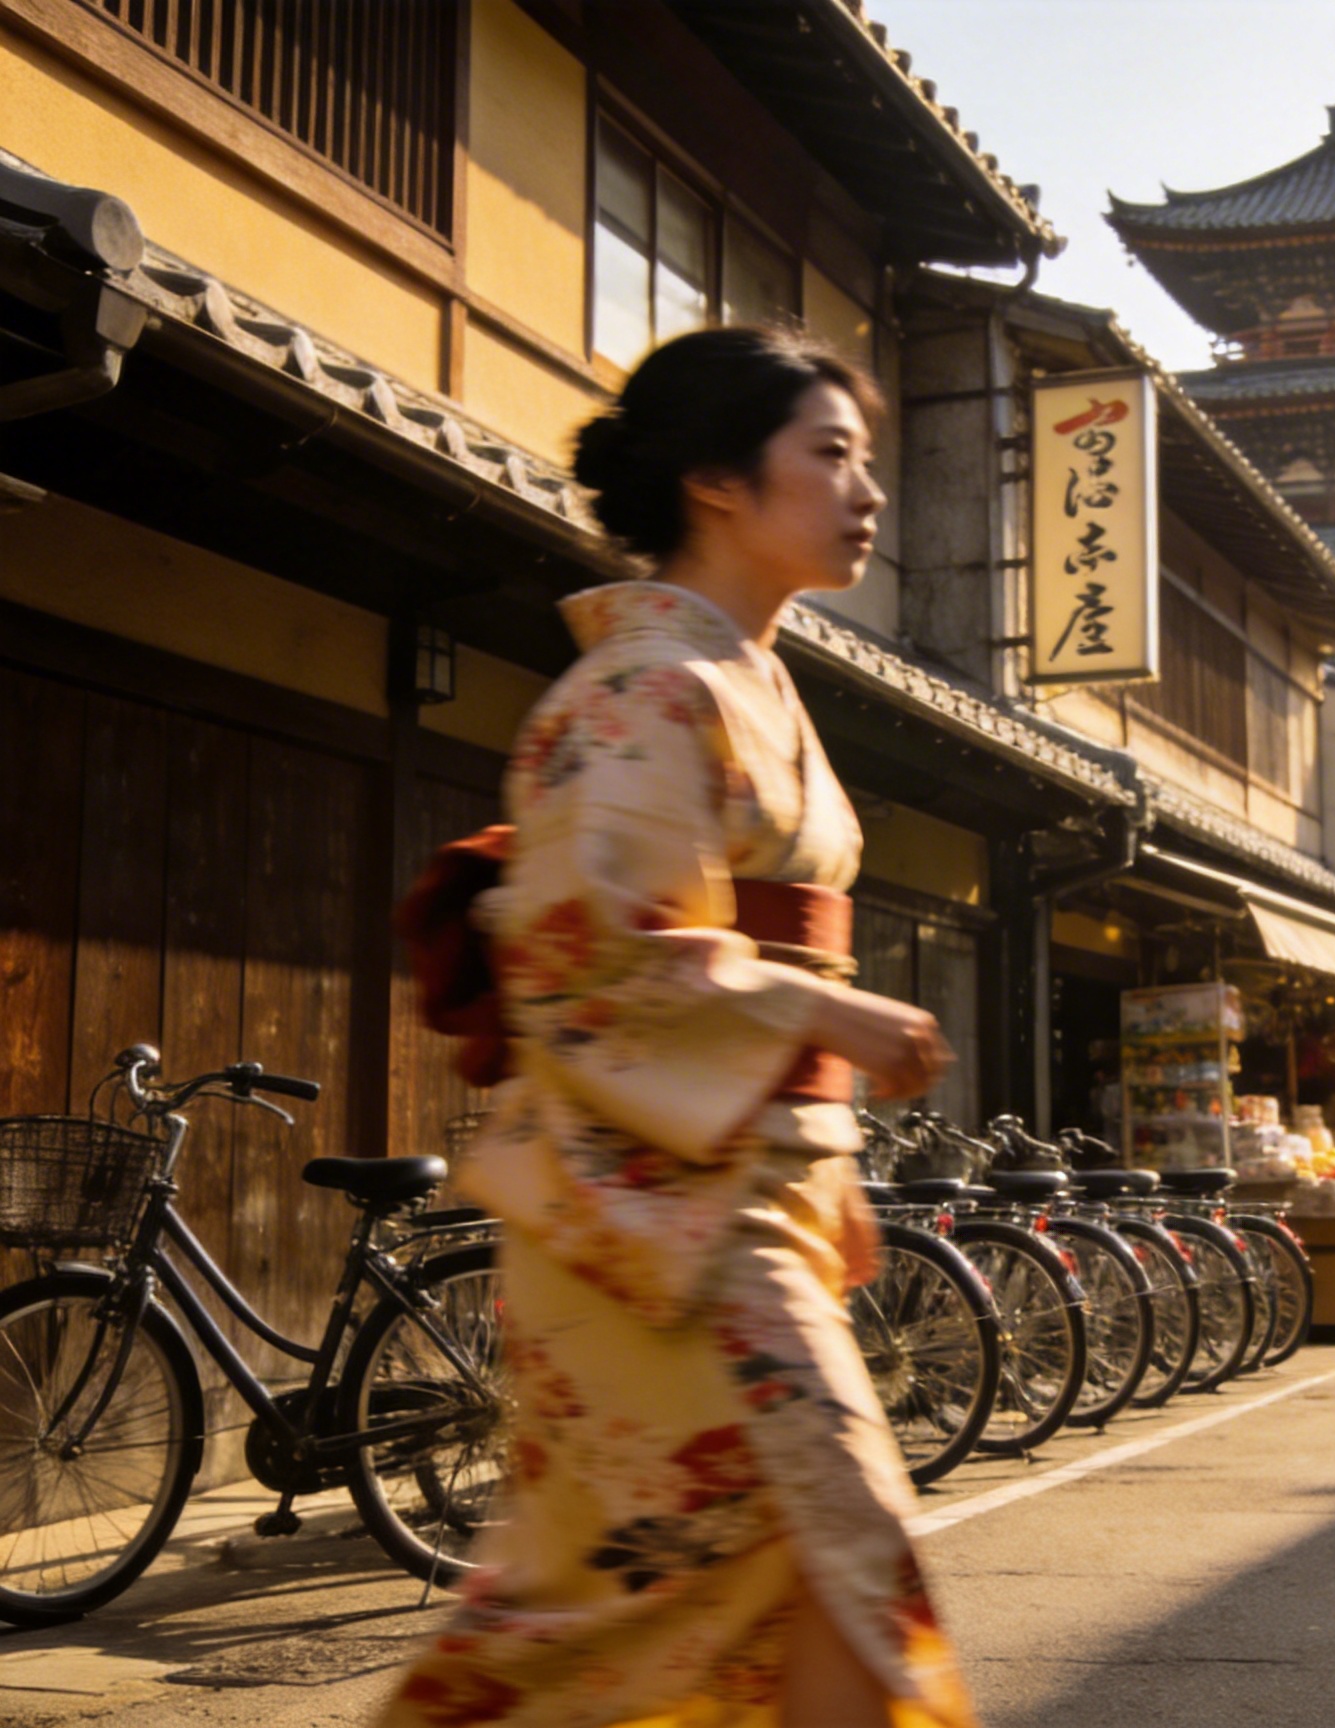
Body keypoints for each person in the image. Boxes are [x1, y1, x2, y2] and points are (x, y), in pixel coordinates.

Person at [377, 328, 975, 1727]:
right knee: (825, 1550)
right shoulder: (645, 690)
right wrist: (825, 1006)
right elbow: (592, 953)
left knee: (680, 1598)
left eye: (865, 462)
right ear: (716, 478)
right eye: (831, 455)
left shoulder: (736, 679)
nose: (868, 492)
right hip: (647, 1223)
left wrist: (828, 1173)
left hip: (724, 1197)